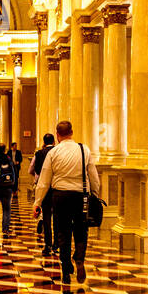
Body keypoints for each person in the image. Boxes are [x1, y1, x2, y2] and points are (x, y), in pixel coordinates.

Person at [33, 120, 100, 284]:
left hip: (60, 196)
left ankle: (65, 271)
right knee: (81, 229)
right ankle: (79, 258)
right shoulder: (84, 150)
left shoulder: (53, 153)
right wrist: (95, 195)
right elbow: (94, 176)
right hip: (81, 196)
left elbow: (44, 180)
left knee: (62, 231)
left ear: (57, 135)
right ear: (72, 132)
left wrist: (38, 202)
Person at [30, 133, 57, 257]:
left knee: (46, 217)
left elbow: (34, 169)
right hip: (57, 188)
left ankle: (48, 245)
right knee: (57, 217)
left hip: (44, 187)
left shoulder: (39, 153)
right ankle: (57, 243)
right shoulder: (58, 151)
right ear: (54, 140)